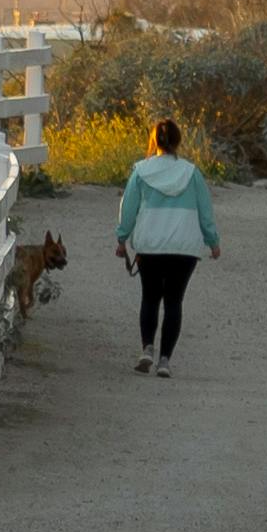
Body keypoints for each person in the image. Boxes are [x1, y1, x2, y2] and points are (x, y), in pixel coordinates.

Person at [113, 115, 218, 373]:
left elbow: (128, 209)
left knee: (149, 298)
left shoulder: (141, 171)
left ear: (154, 141)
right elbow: (206, 212)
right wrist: (213, 242)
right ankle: (165, 361)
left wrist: (122, 239)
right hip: (184, 248)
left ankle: (147, 348)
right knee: (173, 302)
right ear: (178, 141)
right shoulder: (192, 174)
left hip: (150, 246)